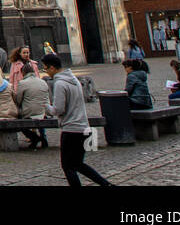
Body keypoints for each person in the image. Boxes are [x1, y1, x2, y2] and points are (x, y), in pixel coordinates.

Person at [43, 52, 111, 187]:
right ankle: (106, 184)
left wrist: (45, 106)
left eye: (45, 68)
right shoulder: (73, 79)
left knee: (68, 166)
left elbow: (58, 109)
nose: (45, 71)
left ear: (52, 68)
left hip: (71, 129)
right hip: (83, 126)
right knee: (78, 164)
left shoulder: (60, 84)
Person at [15, 63, 50, 149]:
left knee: (18, 122)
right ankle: (43, 137)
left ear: (23, 73)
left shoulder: (22, 83)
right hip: (45, 111)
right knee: (40, 115)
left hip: (30, 112)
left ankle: (35, 138)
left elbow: (18, 101)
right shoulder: (43, 82)